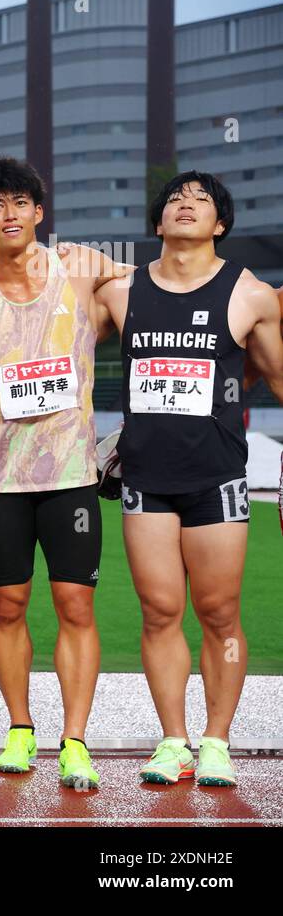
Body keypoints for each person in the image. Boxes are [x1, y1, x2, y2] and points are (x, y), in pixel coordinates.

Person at [0, 157, 131, 788]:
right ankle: (20, 729)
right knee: (9, 602)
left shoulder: (76, 271)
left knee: (76, 604)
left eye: (21, 203)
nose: (10, 214)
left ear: (39, 213)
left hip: (72, 472)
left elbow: (155, 283)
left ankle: (74, 740)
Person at [94, 171, 283, 787]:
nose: (185, 203)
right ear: (158, 223)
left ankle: (217, 740)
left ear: (219, 225)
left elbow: (279, 381)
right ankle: (173, 740)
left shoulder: (251, 294)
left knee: (220, 611)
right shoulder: (121, 292)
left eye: (201, 200)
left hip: (218, 478)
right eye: (176, 198)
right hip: (145, 480)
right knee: (159, 610)